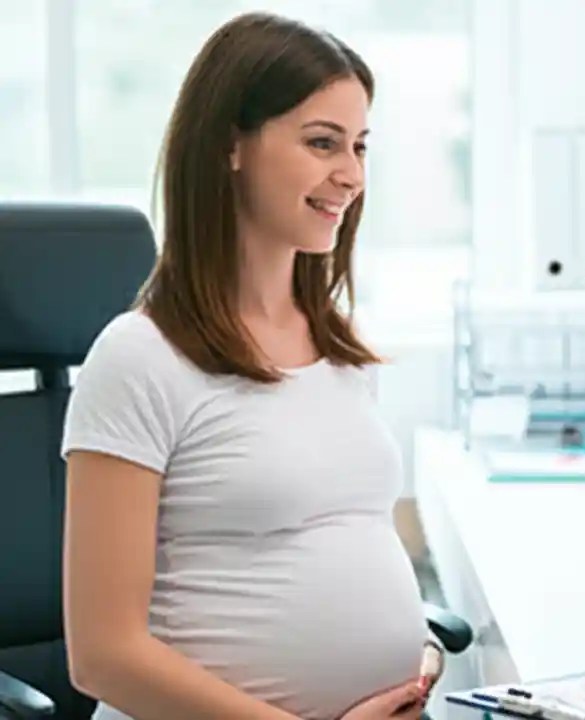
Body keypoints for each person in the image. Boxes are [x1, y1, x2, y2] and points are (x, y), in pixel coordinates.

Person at [61, 12, 439, 720]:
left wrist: (419, 664)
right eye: (323, 142)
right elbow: (101, 655)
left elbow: (347, 546)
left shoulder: (342, 352)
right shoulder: (140, 358)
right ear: (230, 143)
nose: (351, 175)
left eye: (359, 146)